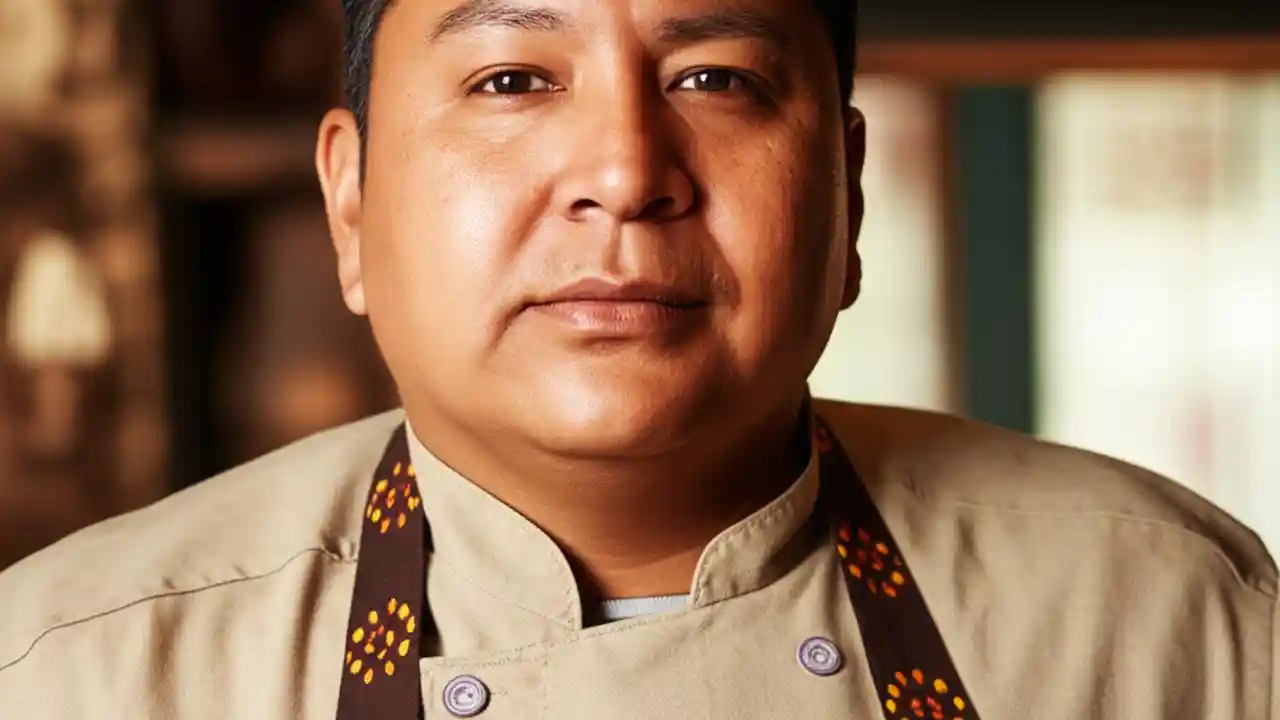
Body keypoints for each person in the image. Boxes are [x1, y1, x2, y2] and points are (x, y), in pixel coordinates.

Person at [1, 0, 1276, 717]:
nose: (623, 171)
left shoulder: (1161, 609)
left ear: (848, 201)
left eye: (714, 76)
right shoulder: (78, 668)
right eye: (510, 79)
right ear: (351, 202)